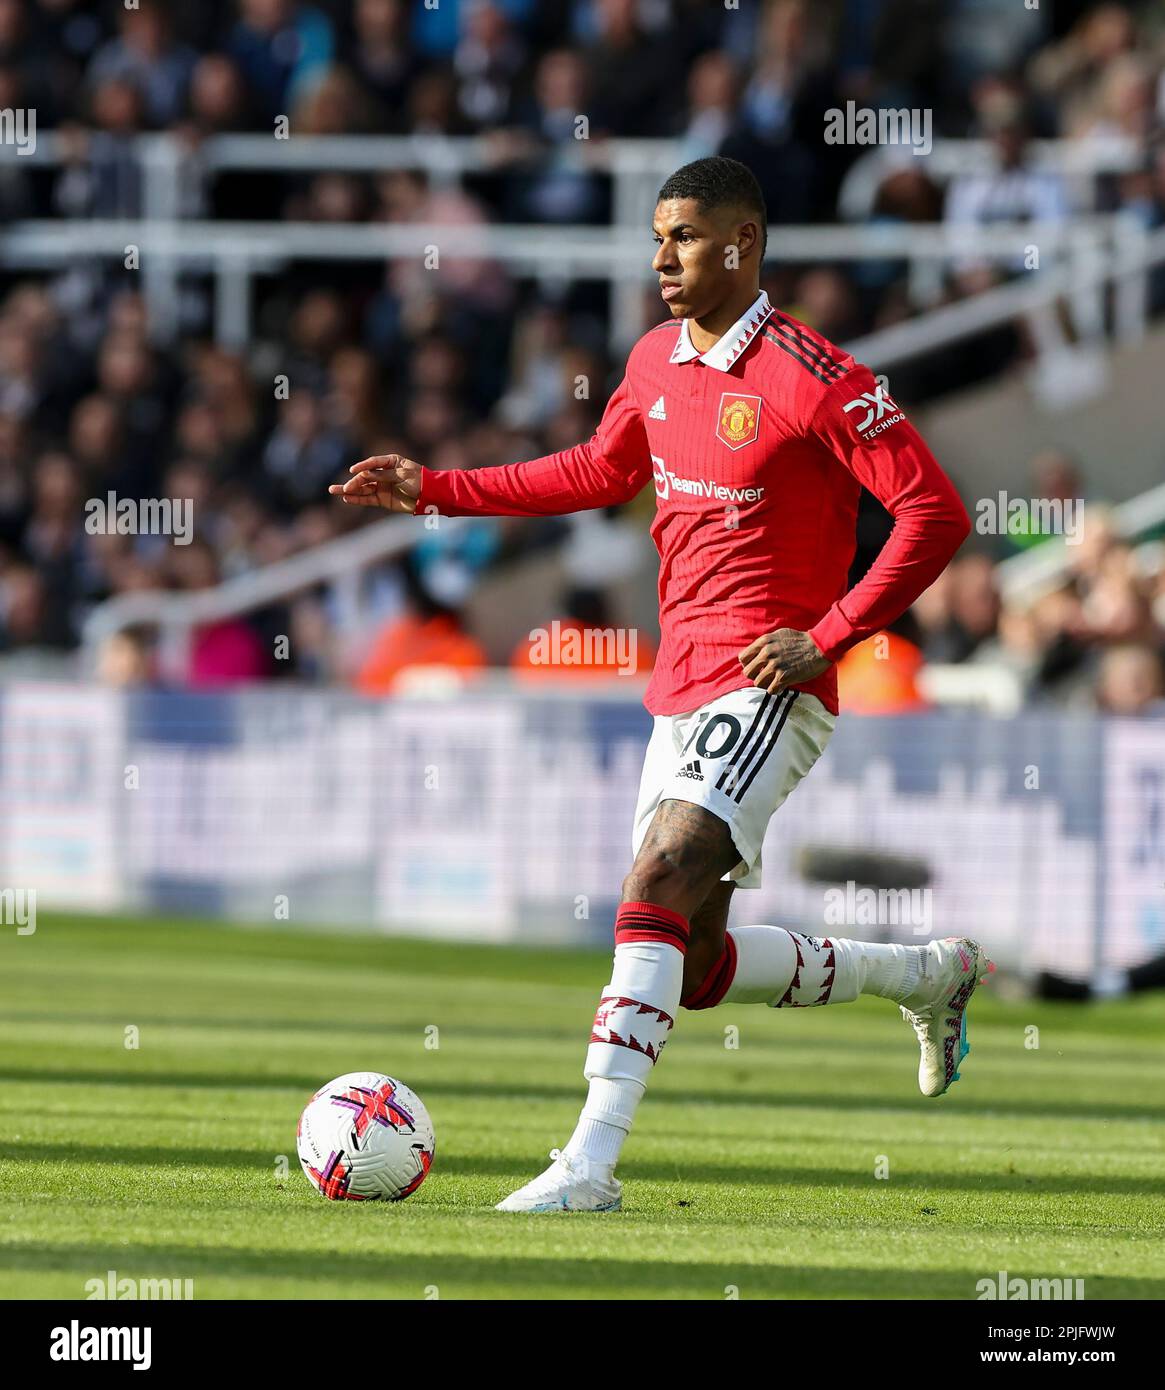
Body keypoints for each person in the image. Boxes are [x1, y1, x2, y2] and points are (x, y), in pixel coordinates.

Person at [330, 156, 984, 1214]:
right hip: (679, 680)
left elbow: (935, 512)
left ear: (745, 242)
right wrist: (438, 489)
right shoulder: (651, 359)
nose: (661, 258)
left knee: (659, 874)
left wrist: (830, 633)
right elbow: (598, 470)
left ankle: (588, 1162)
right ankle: (924, 976)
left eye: (683, 236)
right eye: (656, 236)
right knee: (697, 953)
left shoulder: (815, 374)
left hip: (771, 675)